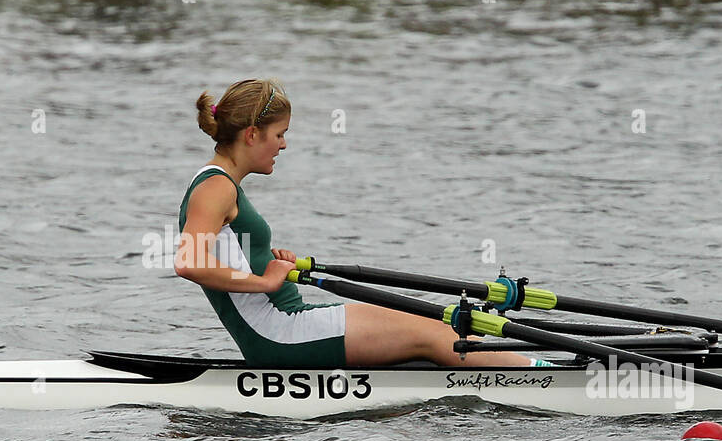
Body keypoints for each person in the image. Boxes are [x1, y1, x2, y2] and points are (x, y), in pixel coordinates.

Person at [175, 78, 534, 369]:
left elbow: (226, 254)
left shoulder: (218, 184)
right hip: (279, 332)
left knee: (433, 328)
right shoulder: (216, 188)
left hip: (288, 321)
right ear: (252, 134)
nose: (283, 145)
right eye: (279, 134)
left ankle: (531, 370)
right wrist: (263, 280)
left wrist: (270, 261)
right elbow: (189, 263)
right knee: (438, 334)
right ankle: (545, 376)